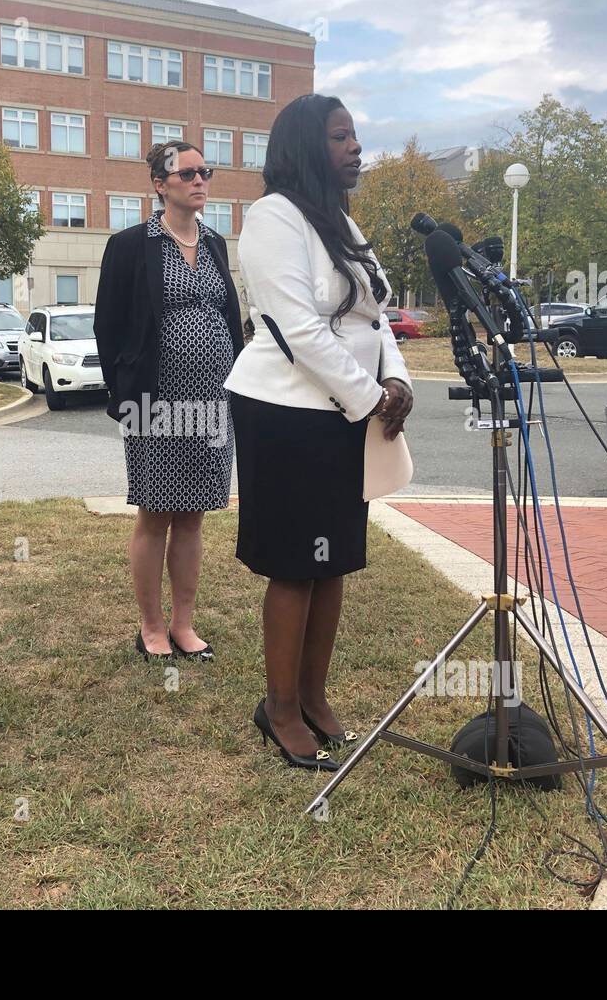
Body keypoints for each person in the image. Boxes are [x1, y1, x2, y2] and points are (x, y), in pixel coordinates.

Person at [224, 94, 414, 771]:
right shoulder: (273, 217)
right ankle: (278, 707)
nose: (355, 147)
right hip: (285, 411)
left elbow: (375, 316)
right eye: (340, 137)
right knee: (295, 564)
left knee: (334, 561)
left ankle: (312, 695)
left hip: (345, 410)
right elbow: (298, 328)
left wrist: (398, 380)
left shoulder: (340, 220)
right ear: (307, 146)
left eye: (355, 135)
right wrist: (369, 397)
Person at [95, 141, 244, 662]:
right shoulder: (131, 245)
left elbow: (229, 318)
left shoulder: (216, 243)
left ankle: (183, 623)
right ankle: (151, 626)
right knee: (156, 512)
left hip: (213, 403)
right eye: (188, 173)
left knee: (194, 515)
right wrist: (123, 394)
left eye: (206, 171)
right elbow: (108, 325)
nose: (200, 180)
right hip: (154, 403)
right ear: (160, 185)